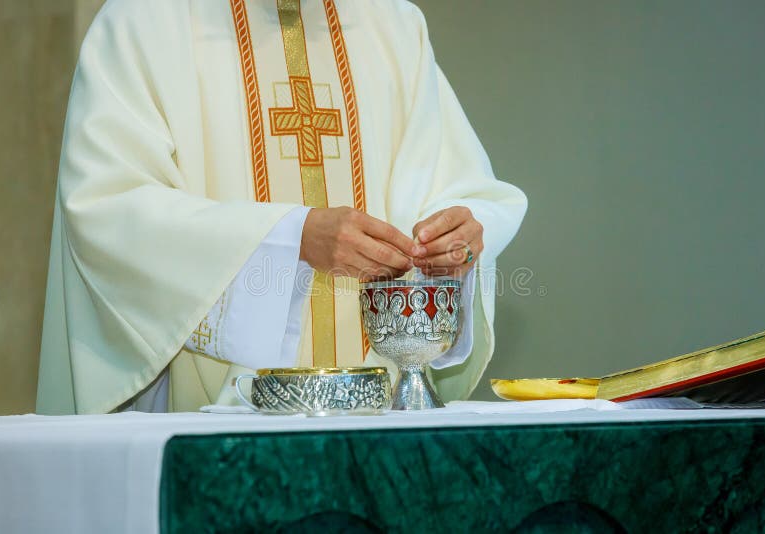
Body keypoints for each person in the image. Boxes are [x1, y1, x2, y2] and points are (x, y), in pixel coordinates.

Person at [36, 0, 527, 414]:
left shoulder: (391, 25)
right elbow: (106, 211)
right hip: (216, 431)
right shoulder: (144, 22)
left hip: (381, 425)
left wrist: (452, 242)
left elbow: (452, 185)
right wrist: (289, 237)